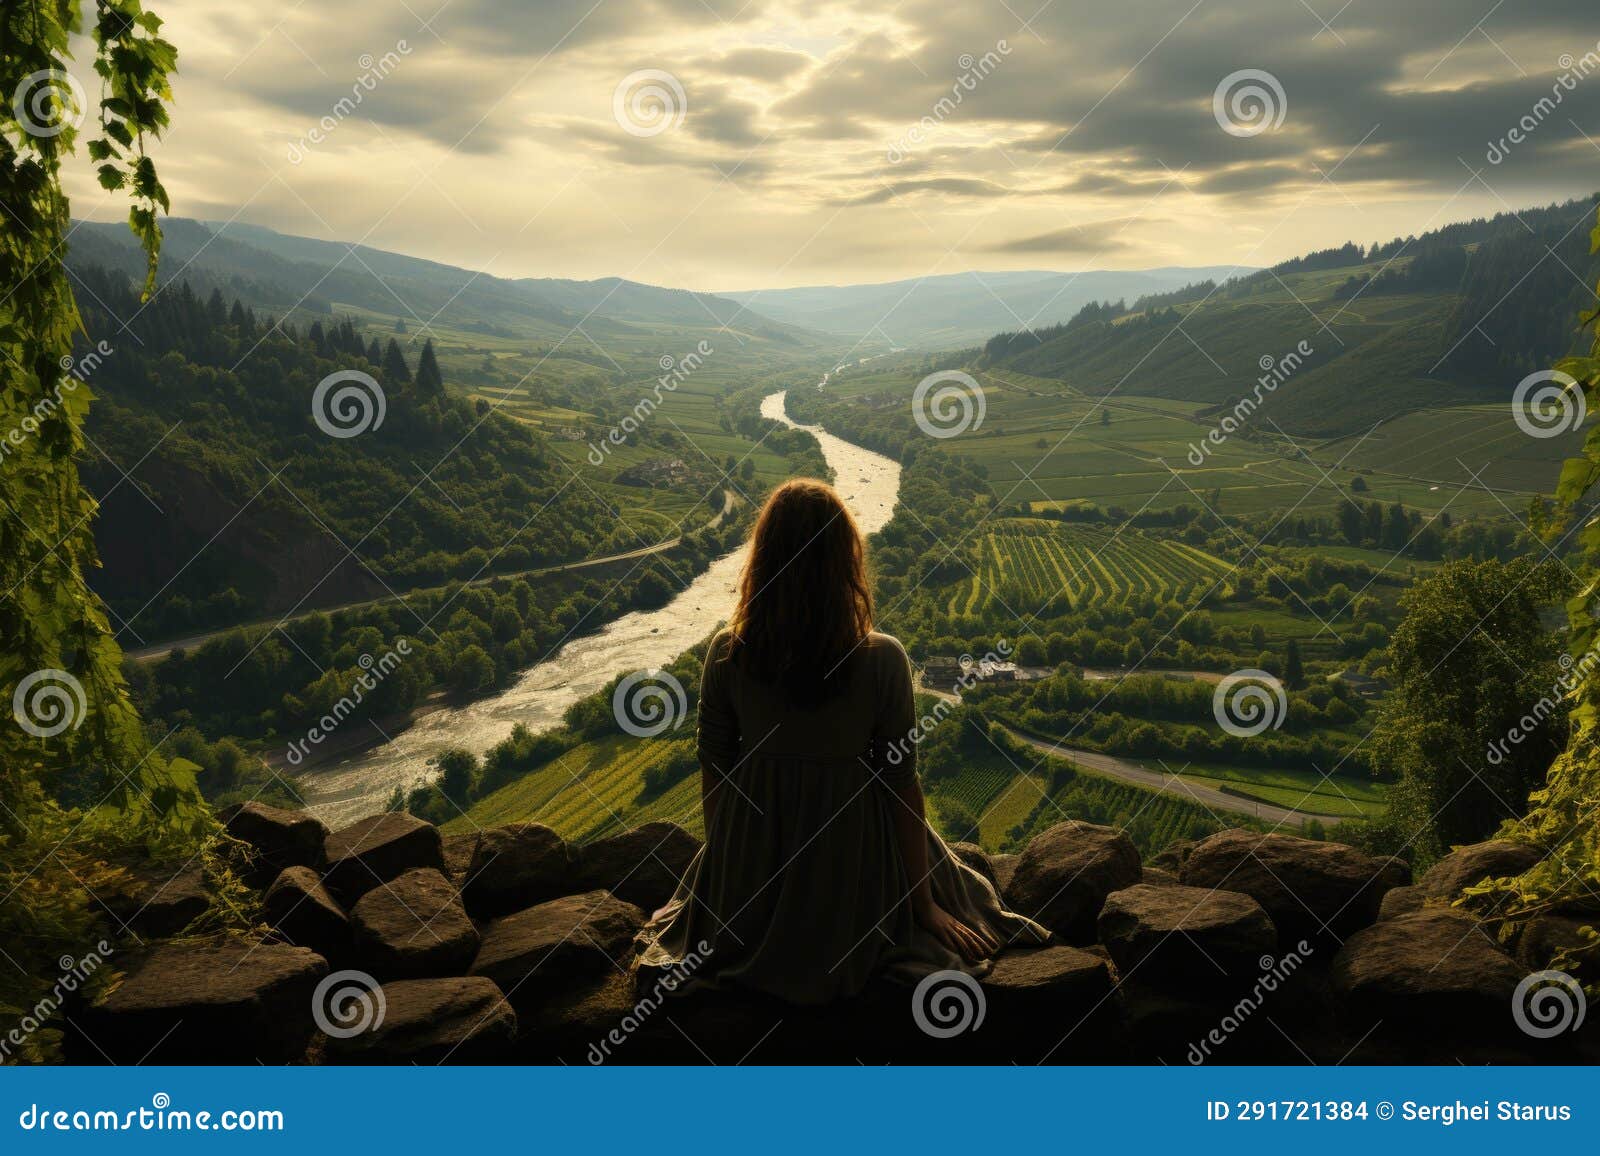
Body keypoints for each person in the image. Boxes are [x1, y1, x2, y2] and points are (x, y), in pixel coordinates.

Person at [637, 478, 1048, 1004]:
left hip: (752, 857)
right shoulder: (883, 659)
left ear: (763, 559)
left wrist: (723, 875)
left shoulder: (727, 653)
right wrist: (923, 905)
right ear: (843, 563)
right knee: (963, 892)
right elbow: (901, 786)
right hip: (851, 862)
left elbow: (715, 771)